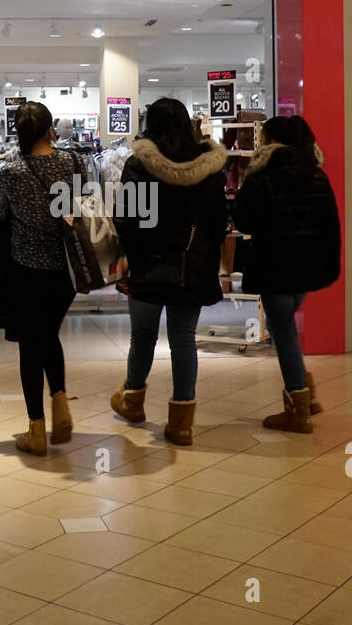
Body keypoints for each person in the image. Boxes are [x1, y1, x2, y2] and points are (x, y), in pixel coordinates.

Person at [110, 98, 227, 446]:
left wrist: (132, 253)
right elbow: (219, 222)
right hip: (193, 265)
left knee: (143, 336)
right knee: (183, 339)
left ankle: (133, 401)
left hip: (147, 264)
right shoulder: (208, 168)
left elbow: (127, 218)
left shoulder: (140, 165)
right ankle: (182, 423)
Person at [233, 115, 340, 433]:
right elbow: (330, 227)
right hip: (306, 268)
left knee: (285, 335)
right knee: (285, 331)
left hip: (274, 265)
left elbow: (244, 221)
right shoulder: (317, 176)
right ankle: (306, 395)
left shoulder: (260, 177)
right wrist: (329, 264)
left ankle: (298, 406)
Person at [0, 101, 80, 455]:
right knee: (50, 335)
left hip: (25, 267)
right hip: (66, 269)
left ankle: (37, 429)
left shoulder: (10, 170)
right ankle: (60, 402)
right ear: (48, 129)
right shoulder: (70, 162)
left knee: (31, 345)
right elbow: (83, 203)